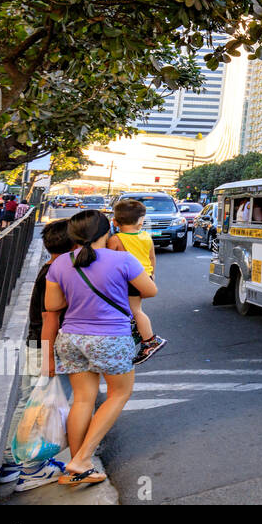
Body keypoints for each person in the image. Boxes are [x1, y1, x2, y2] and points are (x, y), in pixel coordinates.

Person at [44, 210, 157, 487]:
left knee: (82, 400)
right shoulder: (122, 259)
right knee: (119, 394)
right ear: (107, 232)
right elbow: (150, 290)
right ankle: (81, 459)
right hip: (110, 339)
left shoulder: (60, 264)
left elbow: (53, 305)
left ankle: (76, 468)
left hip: (70, 339)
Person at [0, 220, 74, 492]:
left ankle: (12, 463)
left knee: (30, 403)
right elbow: (49, 317)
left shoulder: (48, 269)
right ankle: (33, 467)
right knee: (42, 407)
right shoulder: (57, 274)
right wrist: (50, 359)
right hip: (46, 346)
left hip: (37, 345)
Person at [106, 199, 166, 364]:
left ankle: (150, 341)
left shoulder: (116, 240)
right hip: (144, 277)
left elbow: (108, 263)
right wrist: (152, 275)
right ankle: (138, 332)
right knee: (134, 310)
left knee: (136, 310)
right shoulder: (146, 236)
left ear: (115, 222)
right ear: (141, 221)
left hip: (129, 279)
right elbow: (151, 257)